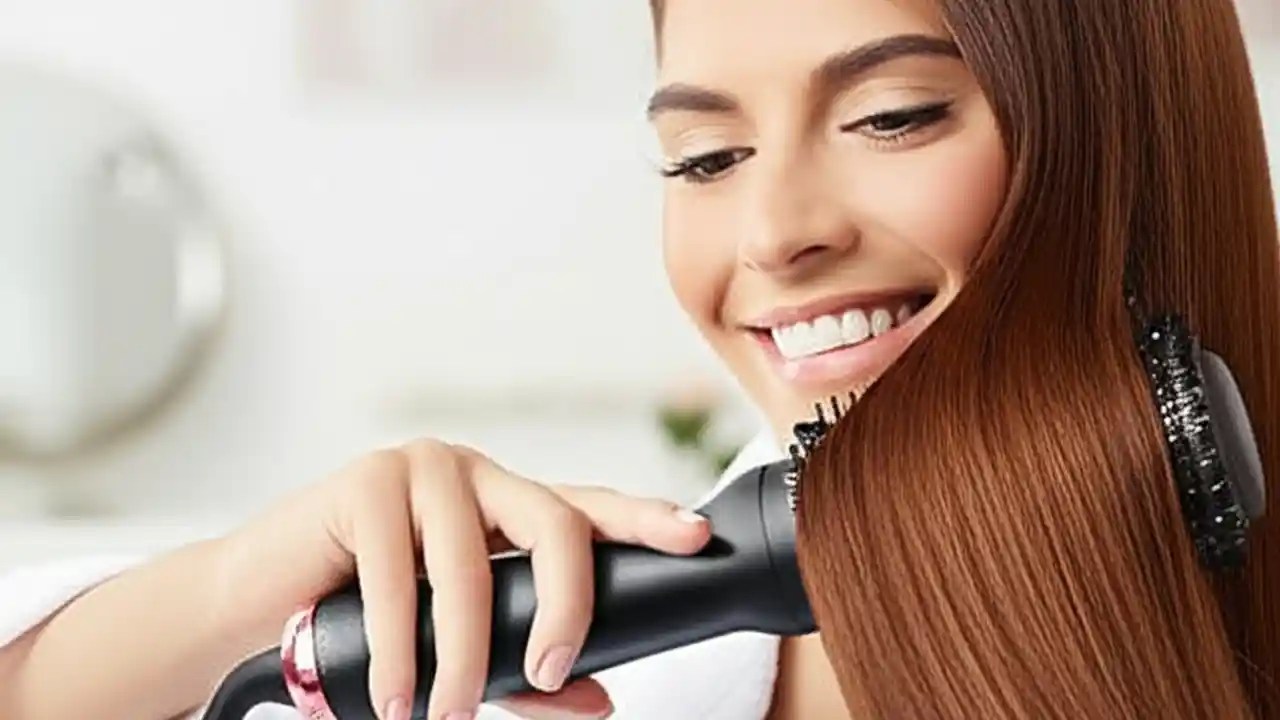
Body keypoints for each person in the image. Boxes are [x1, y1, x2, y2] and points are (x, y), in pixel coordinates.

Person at [2, 0, 1278, 717]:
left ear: (1127, 137)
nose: (775, 235)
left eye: (888, 118)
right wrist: (236, 587)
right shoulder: (638, 661)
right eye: (704, 161)